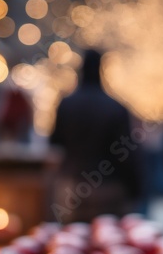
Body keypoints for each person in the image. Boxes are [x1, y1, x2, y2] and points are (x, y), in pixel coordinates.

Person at [49, 49, 142, 223]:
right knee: (109, 241)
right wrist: (136, 189)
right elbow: (127, 154)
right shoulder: (115, 107)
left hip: (72, 185)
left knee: (72, 241)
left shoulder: (66, 104)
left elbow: (54, 141)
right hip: (108, 187)